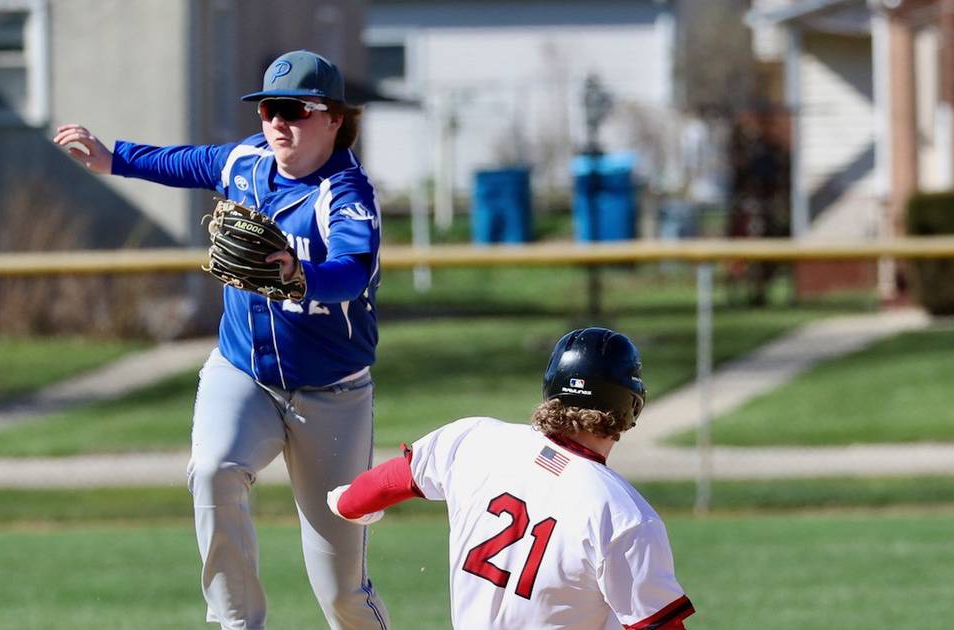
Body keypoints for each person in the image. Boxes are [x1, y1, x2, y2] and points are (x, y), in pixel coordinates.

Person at [53, 50, 389, 630]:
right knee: (211, 470)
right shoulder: (246, 161)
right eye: (267, 109)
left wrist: (300, 274)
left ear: (334, 118)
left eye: (294, 110)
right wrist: (113, 159)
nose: (277, 122)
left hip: (333, 396)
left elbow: (354, 266)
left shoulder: (346, 194)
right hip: (244, 374)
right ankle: (237, 624)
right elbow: (188, 162)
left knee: (340, 592)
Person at [327, 327, 695, 630]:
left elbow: (375, 488)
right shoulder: (623, 514)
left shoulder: (475, 438)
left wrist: (346, 504)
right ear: (631, 406)